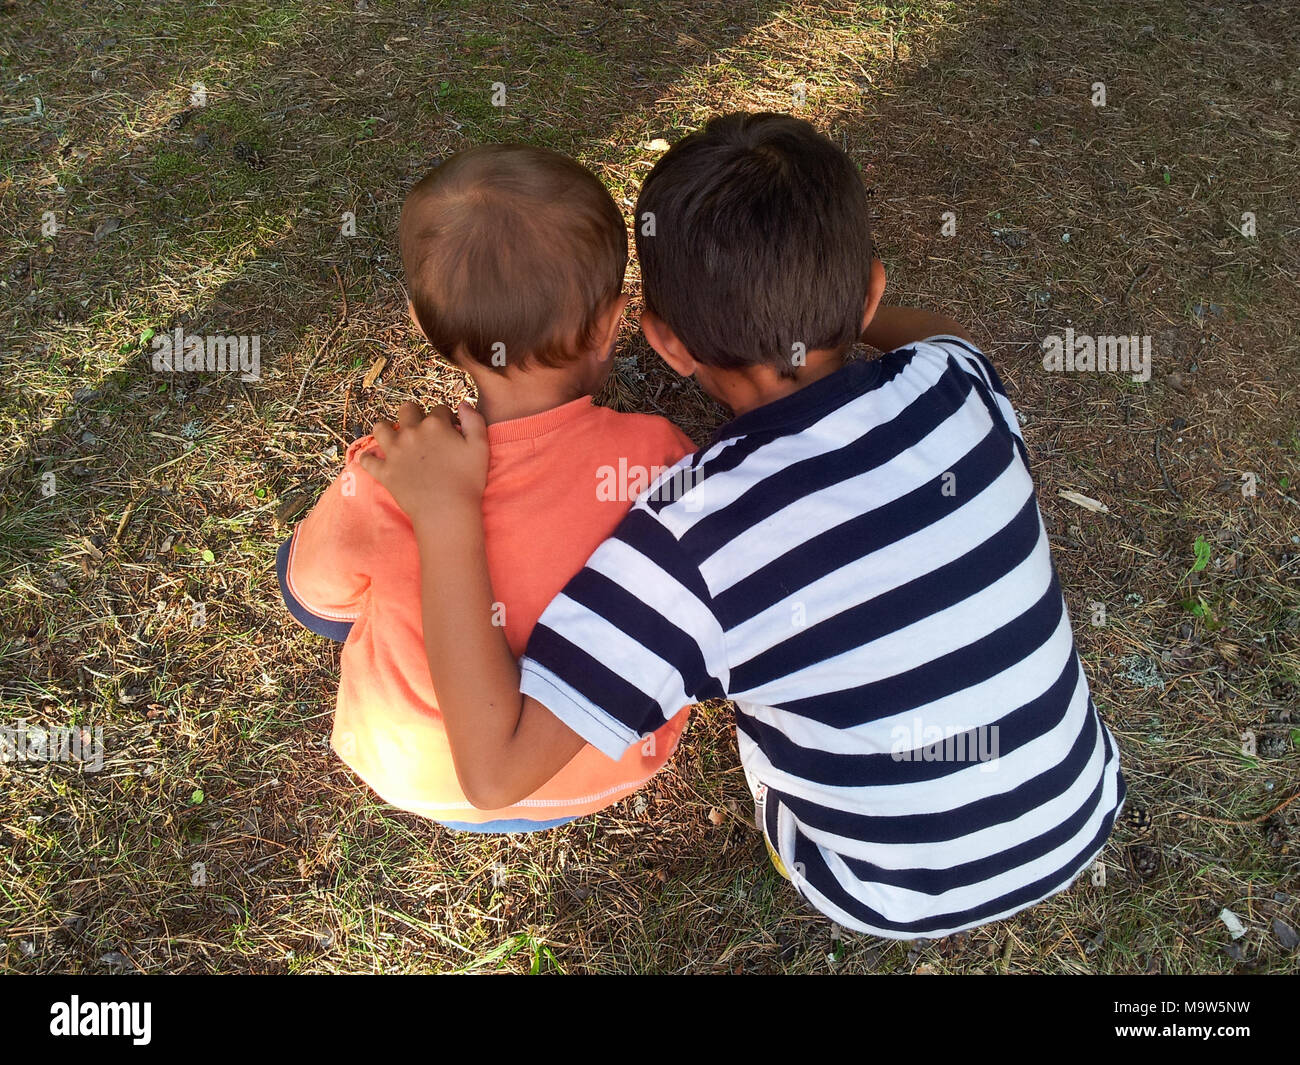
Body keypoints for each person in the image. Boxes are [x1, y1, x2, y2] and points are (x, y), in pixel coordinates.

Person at [362, 114, 1124, 937]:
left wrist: (443, 513)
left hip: (878, 890)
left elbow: (494, 771)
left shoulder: (690, 539)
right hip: (1084, 811)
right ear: (869, 291)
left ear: (664, 343)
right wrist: (829, 315)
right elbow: (949, 332)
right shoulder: (957, 382)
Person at [278, 144, 693, 831]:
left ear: (424, 326)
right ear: (608, 325)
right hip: (613, 763)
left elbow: (308, 595)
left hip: (415, 771)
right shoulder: (658, 458)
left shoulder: (386, 471)